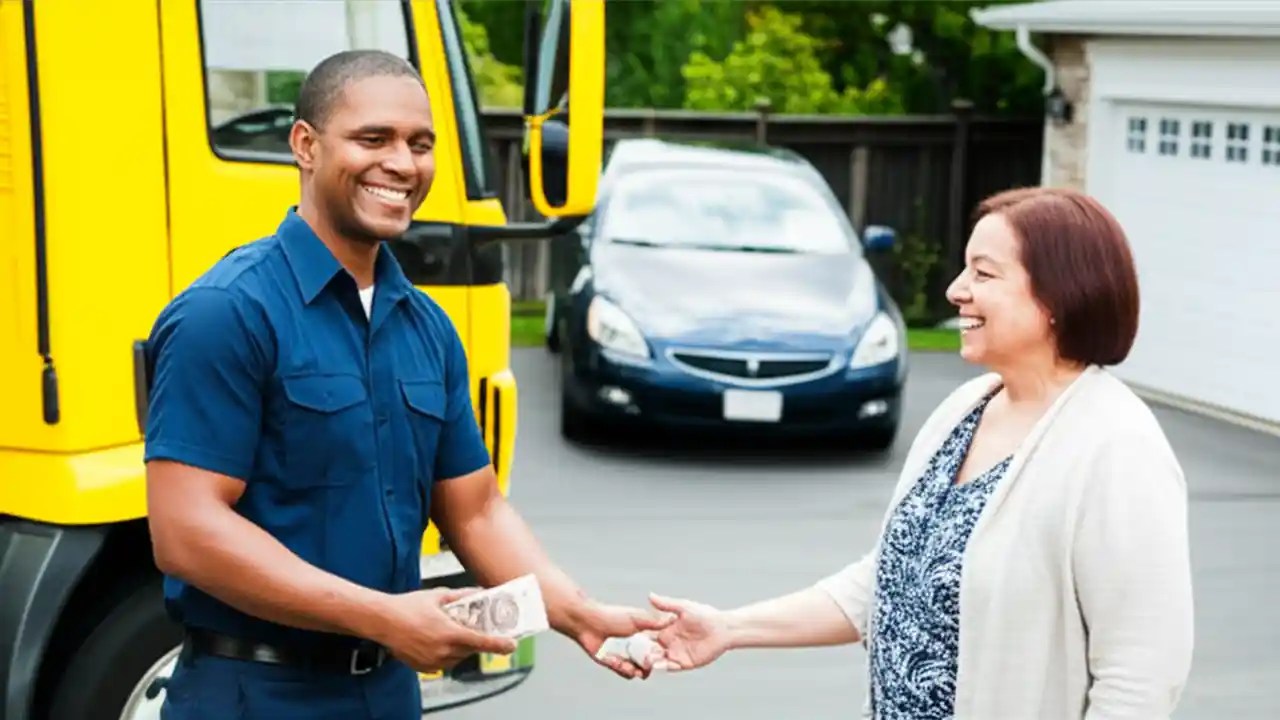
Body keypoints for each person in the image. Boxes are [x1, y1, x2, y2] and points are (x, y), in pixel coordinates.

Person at [143, 49, 667, 720]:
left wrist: (578, 614)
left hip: (385, 696)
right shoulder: (227, 313)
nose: (403, 163)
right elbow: (186, 531)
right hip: (254, 695)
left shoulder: (428, 328)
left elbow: (475, 511)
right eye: (373, 139)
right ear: (304, 145)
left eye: (420, 144)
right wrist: (385, 617)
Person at [644, 187, 1195, 719]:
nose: (956, 290)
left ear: (1058, 297)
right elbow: (889, 581)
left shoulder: (1117, 449)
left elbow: (1142, 671)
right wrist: (730, 628)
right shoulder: (966, 409)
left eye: (984, 273)